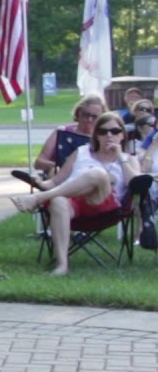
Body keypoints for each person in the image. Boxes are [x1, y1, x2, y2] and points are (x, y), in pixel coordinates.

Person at [11, 112, 141, 276]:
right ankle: (62, 265)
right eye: (103, 131)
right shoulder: (81, 152)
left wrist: (120, 157)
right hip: (73, 203)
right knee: (58, 201)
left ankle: (37, 199)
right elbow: (55, 182)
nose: (109, 135)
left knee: (98, 174)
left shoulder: (129, 159)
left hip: (104, 206)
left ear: (122, 135)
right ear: (96, 135)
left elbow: (136, 185)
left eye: (115, 131)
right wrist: (38, 182)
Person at [33, 94, 104, 176]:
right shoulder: (61, 133)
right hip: (59, 178)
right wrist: (62, 168)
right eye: (86, 115)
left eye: (94, 117)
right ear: (78, 113)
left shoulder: (103, 138)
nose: (89, 119)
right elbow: (38, 162)